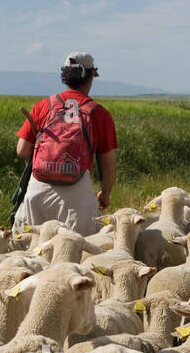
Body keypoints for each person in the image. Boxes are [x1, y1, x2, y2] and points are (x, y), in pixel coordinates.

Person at [12, 51, 118, 236]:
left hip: (38, 190)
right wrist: (105, 193)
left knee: (28, 252)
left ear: (65, 76)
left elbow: (22, 150)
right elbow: (108, 164)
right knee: (76, 253)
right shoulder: (99, 113)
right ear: (90, 77)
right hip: (77, 195)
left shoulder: (44, 105)